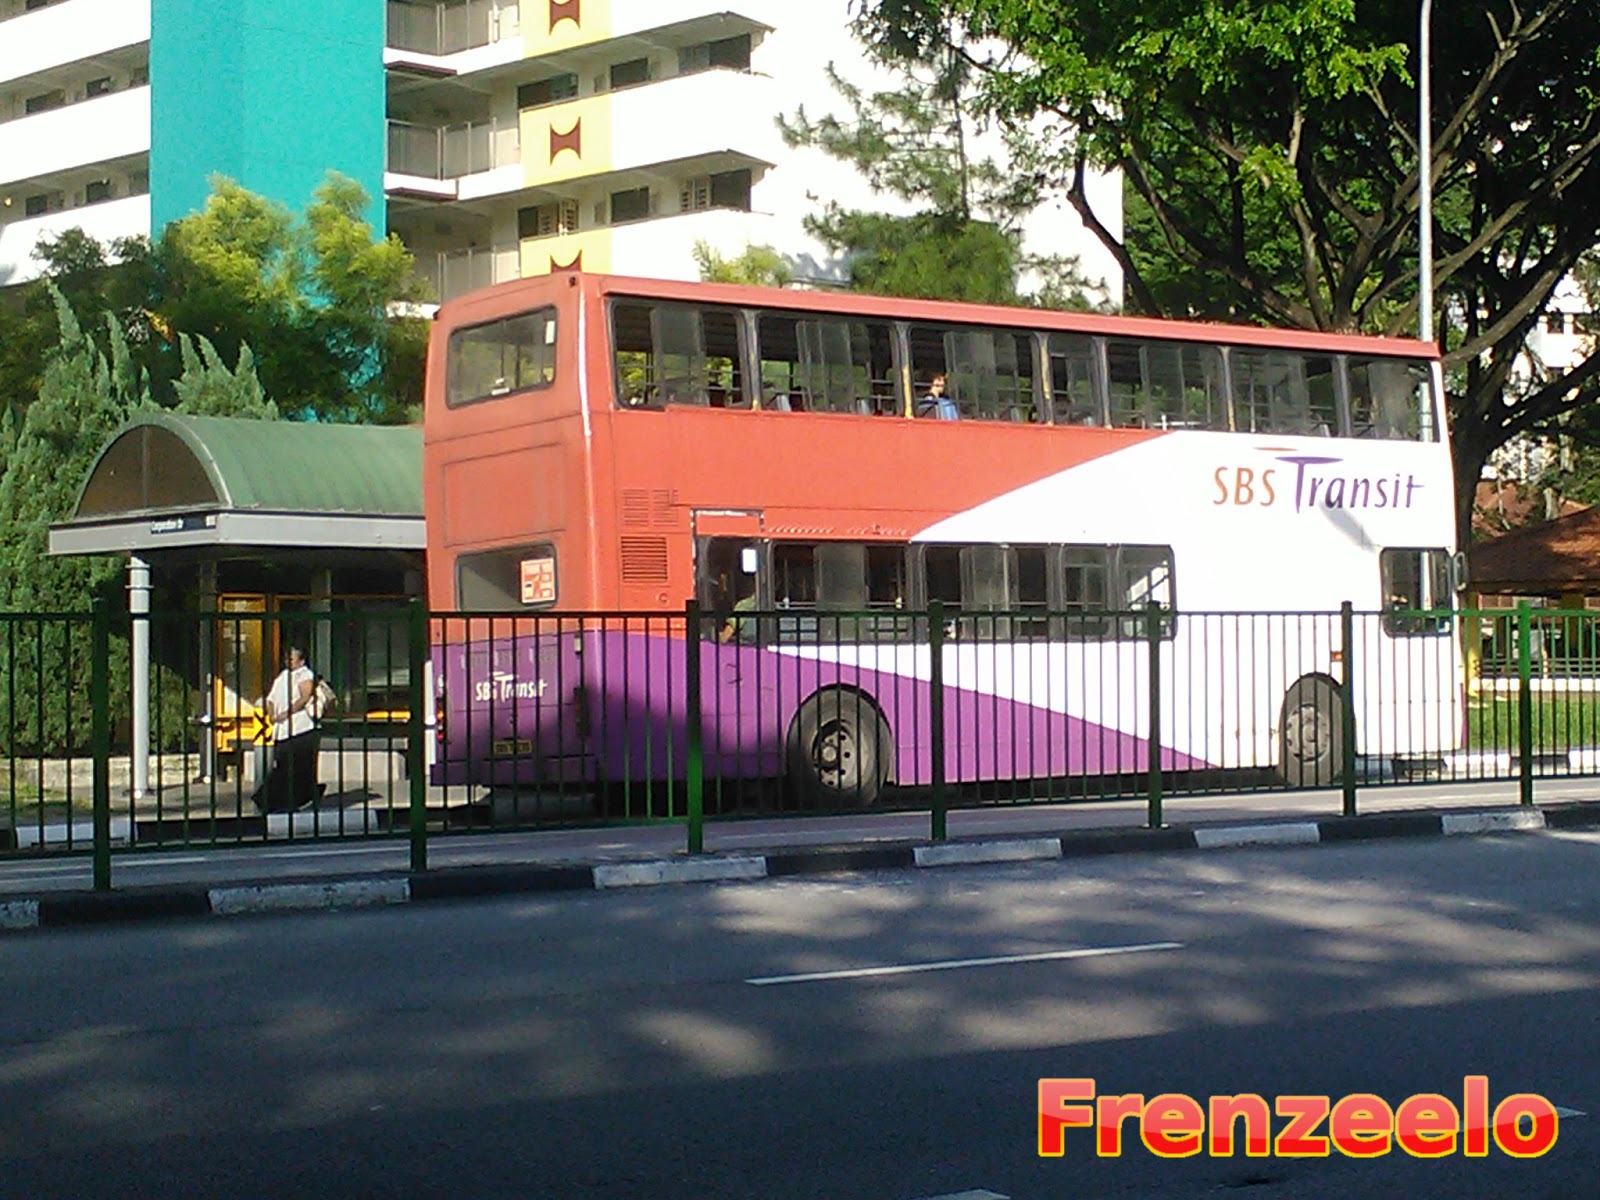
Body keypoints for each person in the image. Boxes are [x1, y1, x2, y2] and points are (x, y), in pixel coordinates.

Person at [252, 645, 322, 813]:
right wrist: (272, 715)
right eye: (286, 659)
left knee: (300, 767)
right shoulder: (283, 676)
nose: (288, 661)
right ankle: (283, 800)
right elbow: (270, 699)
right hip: (283, 731)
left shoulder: (304, 674)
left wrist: (287, 713)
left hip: (301, 728)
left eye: (291, 658)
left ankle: (298, 798)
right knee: (285, 767)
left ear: (301, 660)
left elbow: (305, 696)